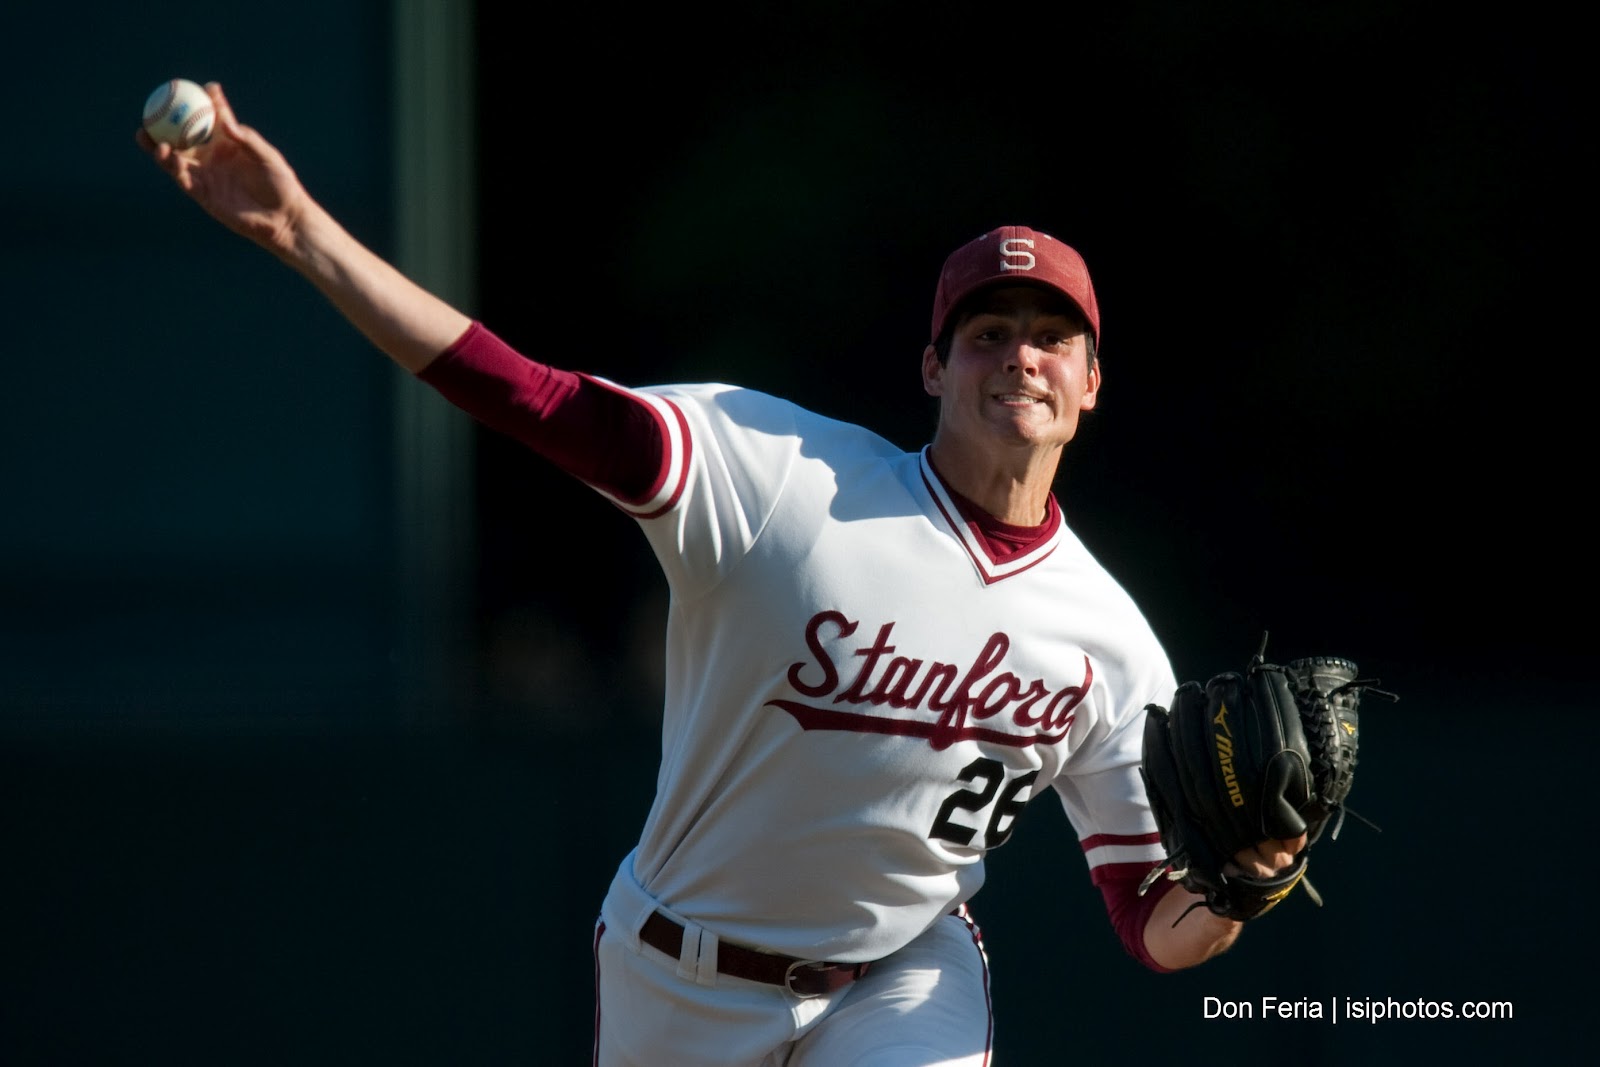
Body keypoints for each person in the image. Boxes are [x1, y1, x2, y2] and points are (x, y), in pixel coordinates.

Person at [139, 84, 1307, 1066]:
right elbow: (526, 393)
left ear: (1091, 381)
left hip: (902, 970)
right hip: (678, 970)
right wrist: (304, 234)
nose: (1019, 354)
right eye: (987, 330)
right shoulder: (778, 479)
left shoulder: (1108, 639)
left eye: (1050, 334)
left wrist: (1248, 884)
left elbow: (1154, 923)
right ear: (932, 367)